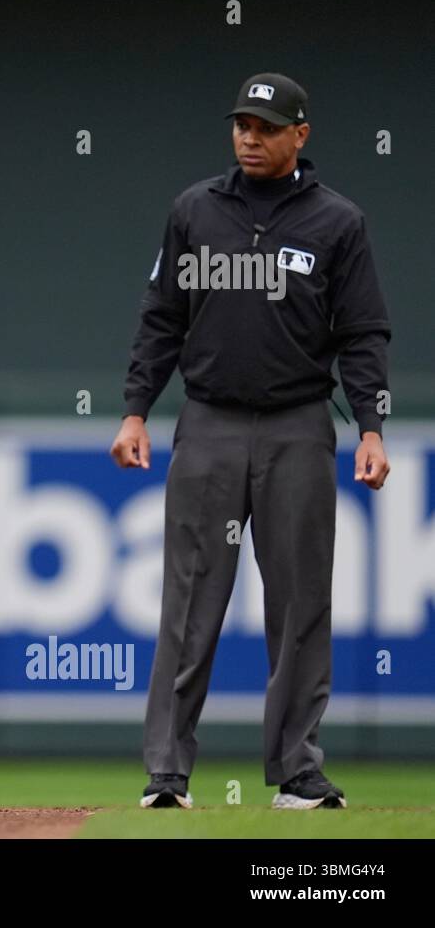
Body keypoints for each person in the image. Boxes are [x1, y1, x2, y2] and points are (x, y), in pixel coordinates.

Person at [110, 73, 391, 809]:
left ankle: (297, 770)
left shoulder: (338, 222)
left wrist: (370, 425)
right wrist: (135, 409)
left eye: (267, 127)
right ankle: (167, 774)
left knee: (301, 602)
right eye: (242, 124)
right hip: (207, 421)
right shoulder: (196, 211)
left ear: (301, 135)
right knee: (189, 600)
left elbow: (363, 334)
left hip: (299, 424)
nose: (250, 137)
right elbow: (160, 316)